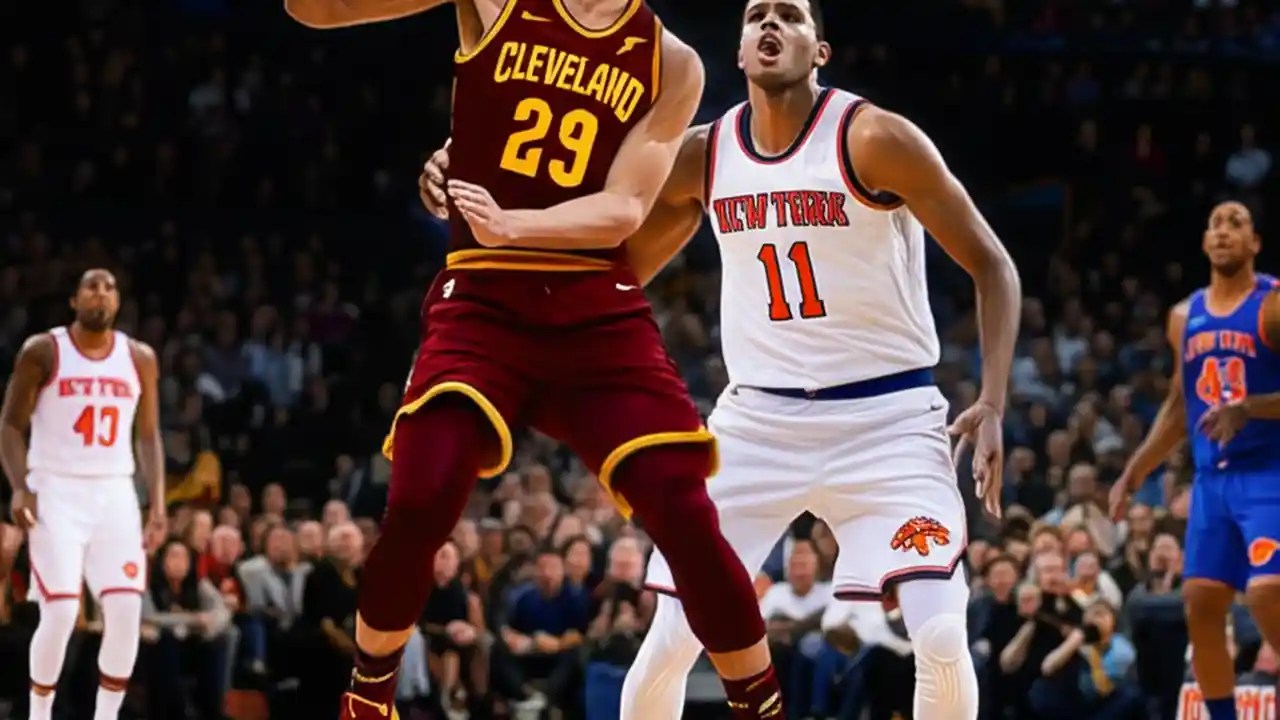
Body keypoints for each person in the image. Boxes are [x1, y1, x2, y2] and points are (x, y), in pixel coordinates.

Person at [420, 1, 1020, 717]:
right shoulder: (705, 154)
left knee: (943, 631)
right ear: (737, 51)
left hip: (887, 418)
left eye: (789, 16)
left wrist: (992, 399)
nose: (770, 25)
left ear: (819, 49)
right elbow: (598, 251)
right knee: (671, 636)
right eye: (756, 15)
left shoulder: (875, 139)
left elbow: (993, 264)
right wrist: (469, 174)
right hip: (757, 422)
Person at [284, 1, 784, 718]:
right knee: (423, 495)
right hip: (483, 295)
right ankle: (368, 701)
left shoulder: (671, 60)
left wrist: (513, 223)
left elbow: (625, 208)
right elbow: (315, 10)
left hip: (594, 300)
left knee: (683, 510)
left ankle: (762, 706)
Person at [1112, 200, 1280, 720]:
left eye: (1237, 224)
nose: (1224, 231)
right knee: (1202, 603)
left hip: (1269, 474)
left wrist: (1249, 408)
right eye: (1215, 224)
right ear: (1205, 242)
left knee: (1267, 592)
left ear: (1255, 243)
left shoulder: (1273, 305)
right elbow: (1179, 405)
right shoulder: (1184, 317)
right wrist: (1136, 468)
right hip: (1212, 481)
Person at [0, 268, 167, 720]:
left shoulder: (140, 357)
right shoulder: (43, 350)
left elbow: (148, 436)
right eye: (91, 286)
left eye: (110, 287)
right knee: (60, 611)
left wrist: (158, 502)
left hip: (114, 491)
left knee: (127, 609)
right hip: (55, 487)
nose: (101, 293)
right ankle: (39, 713)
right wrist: (19, 488)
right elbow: (11, 425)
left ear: (118, 302)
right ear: (74, 301)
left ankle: (106, 716)